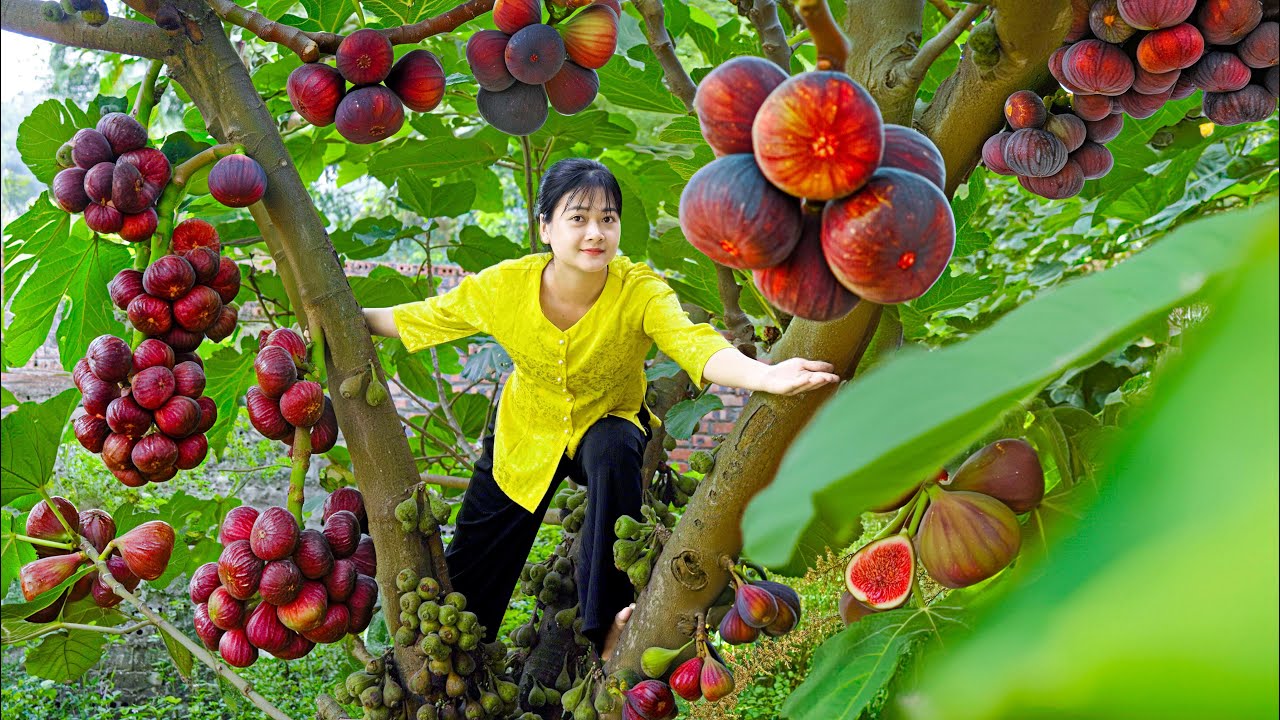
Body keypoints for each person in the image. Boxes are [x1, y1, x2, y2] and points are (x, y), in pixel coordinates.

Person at [362, 158, 839, 659]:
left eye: (608, 219)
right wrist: (340, 318)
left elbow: (693, 344)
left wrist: (765, 375)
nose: (595, 232)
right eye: (578, 217)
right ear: (545, 226)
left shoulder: (640, 290)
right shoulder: (505, 287)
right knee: (471, 572)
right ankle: (456, 661)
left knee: (614, 449)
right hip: (527, 434)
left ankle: (606, 627)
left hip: (606, 423)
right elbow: (424, 317)